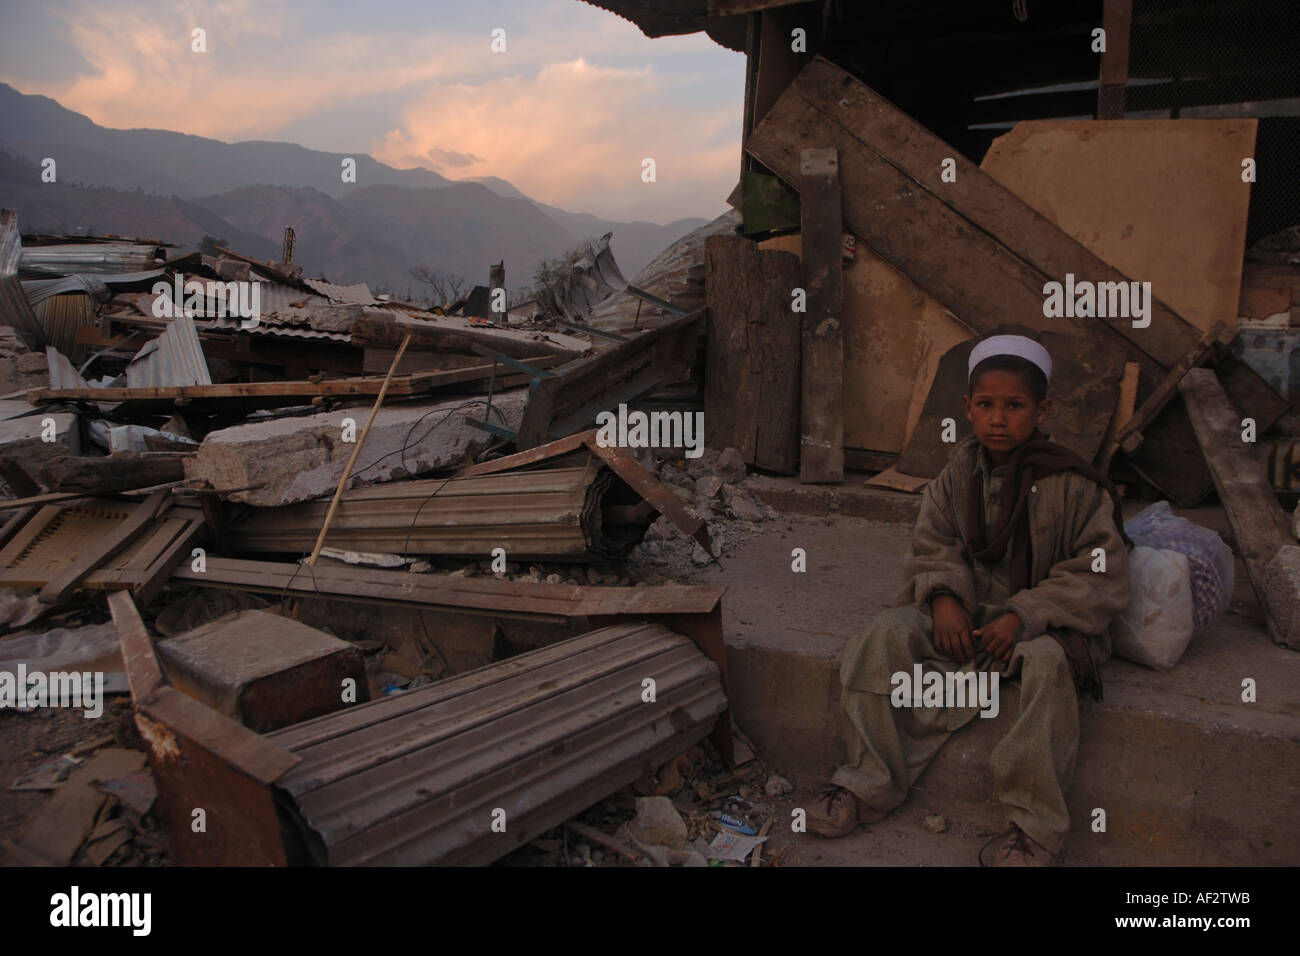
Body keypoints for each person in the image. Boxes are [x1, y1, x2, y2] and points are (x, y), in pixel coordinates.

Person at [806, 333, 1131, 865]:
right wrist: (942, 599)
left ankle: (1033, 830)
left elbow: (1103, 573)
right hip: (966, 616)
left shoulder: (1075, 486)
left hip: (1042, 629)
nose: (998, 419)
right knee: (882, 635)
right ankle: (868, 784)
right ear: (968, 409)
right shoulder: (954, 477)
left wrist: (1025, 616)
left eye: (1015, 405)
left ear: (1043, 409)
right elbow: (931, 544)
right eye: (986, 405)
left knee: (1050, 667)